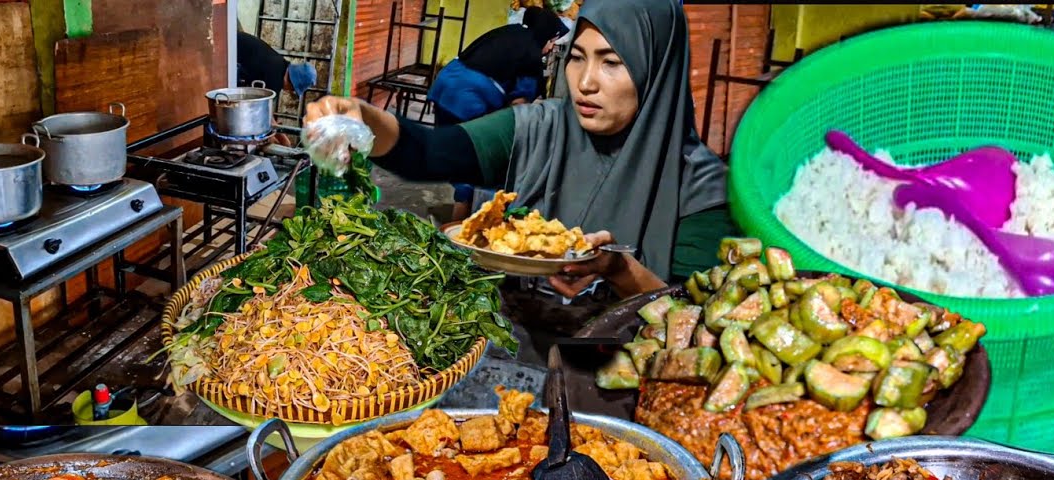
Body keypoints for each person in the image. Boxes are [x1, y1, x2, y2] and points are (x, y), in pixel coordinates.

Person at [305, 0, 739, 299]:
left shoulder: (703, 191)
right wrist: (362, 115)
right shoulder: (541, 128)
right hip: (512, 354)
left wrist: (618, 271)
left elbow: (692, 321)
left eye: (611, 62)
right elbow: (429, 152)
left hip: (620, 381)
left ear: (657, 71)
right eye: (577, 57)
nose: (585, 82)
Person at [428, 8, 569, 221]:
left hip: (445, 86)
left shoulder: (510, 32)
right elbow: (518, 107)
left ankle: (460, 216)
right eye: (551, 42)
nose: (550, 48)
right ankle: (458, 227)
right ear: (546, 36)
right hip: (469, 98)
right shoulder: (531, 53)